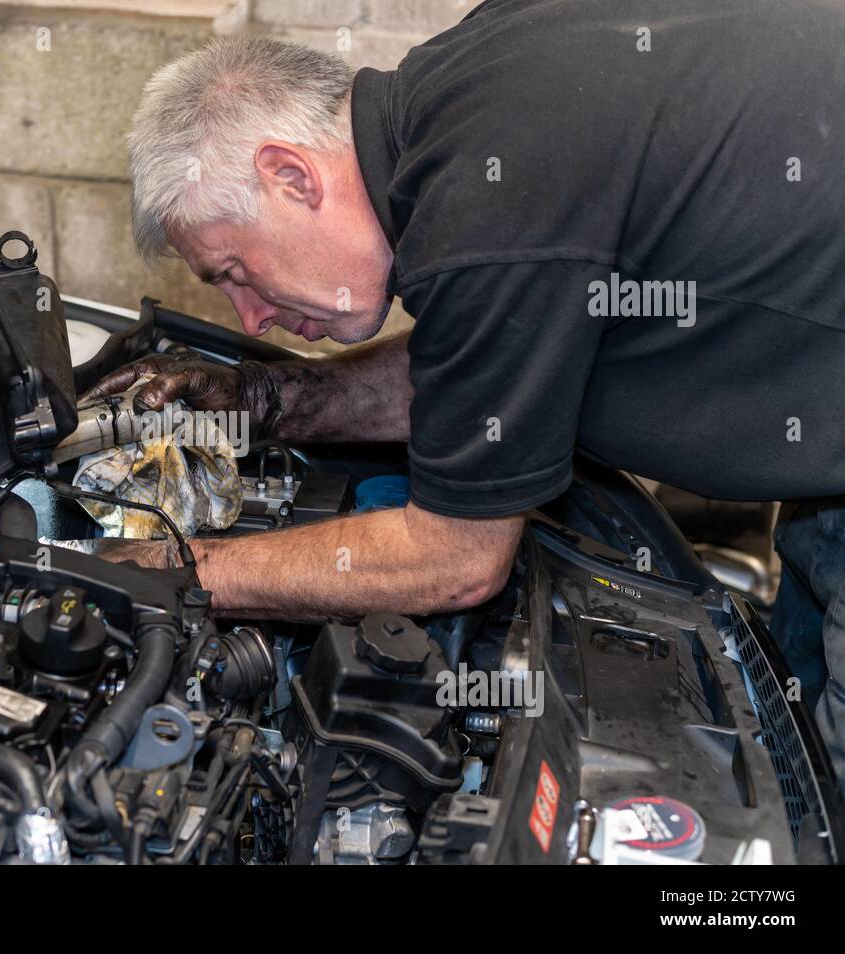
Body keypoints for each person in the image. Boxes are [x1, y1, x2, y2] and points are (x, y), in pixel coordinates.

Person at [87, 1, 845, 783]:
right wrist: (270, 398)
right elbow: (482, 356)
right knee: (793, 762)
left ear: (292, 176)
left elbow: (454, 557)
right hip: (822, 443)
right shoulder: (463, 96)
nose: (249, 315)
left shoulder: (486, 204)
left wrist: (163, 568)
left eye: (234, 272)